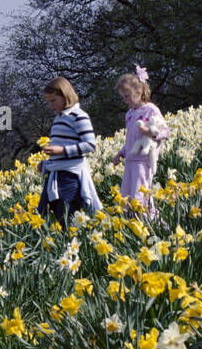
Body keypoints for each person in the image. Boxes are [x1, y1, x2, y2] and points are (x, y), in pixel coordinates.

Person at [37, 77, 102, 229]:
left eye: (53, 100)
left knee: (66, 219)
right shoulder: (58, 119)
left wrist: (62, 150)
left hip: (70, 178)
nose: (51, 105)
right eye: (49, 101)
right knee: (43, 217)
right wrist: (46, 164)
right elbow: (60, 151)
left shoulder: (79, 116)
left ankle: (71, 249)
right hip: (54, 176)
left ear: (65, 96)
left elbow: (90, 145)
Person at [112, 64, 169, 219]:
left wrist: (149, 132)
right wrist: (121, 153)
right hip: (130, 161)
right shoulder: (130, 114)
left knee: (140, 196)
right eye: (122, 97)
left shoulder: (151, 110)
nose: (125, 100)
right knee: (126, 197)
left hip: (144, 162)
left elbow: (165, 132)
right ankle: (132, 228)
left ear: (139, 92)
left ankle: (151, 225)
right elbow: (130, 138)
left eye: (127, 96)